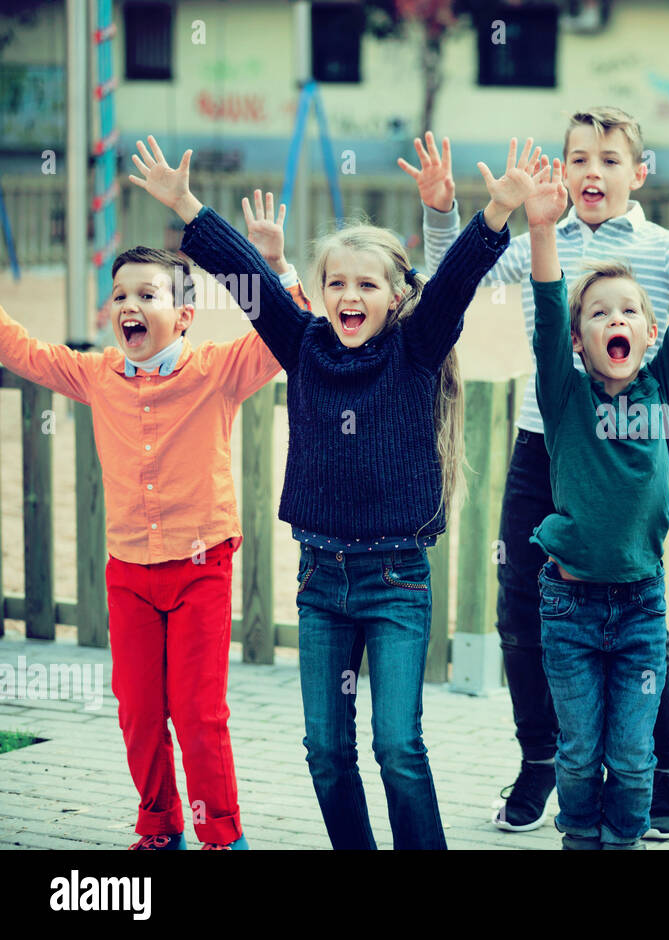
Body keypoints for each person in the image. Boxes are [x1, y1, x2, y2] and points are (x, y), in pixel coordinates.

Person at [410, 108, 669, 837]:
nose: (592, 171)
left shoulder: (664, 250)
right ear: (562, 172)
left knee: (637, 616)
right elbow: (457, 275)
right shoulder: (543, 231)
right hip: (543, 448)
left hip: (626, 458)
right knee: (521, 615)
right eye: (578, 159)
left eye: (609, 159)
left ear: (637, 173)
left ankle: (667, 766)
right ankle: (543, 758)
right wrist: (441, 209)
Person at [129, 134, 533, 847]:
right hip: (321, 580)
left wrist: (497, 209)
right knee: (325, 751)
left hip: (395, 580)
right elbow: (243, 275)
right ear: (320, 293)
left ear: (397, 295)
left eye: (367, 284)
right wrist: (187, 207)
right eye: (337, 283)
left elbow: (459, 279)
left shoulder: (417, 346)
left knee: (397, 747)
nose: (350, 295)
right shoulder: (305, 344)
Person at [0, 246, 283, 850]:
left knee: (199, 714)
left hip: (201, 566)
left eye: (147, 295)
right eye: (120, 295)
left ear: (183, 315)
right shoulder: (97, 373)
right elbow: (23, 350)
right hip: (128, 569)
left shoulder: (217, 370)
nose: (129, 305)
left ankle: (221, 836)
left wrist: (276, 272)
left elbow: (282, 338)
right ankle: (160, 826)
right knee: (138, 712)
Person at [522, 154, 669, 848]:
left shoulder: (659, 392)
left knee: (633, 759)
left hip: (640, 607)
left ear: (648, 334)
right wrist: (542, 230)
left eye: (630, 311)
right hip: (570, 609)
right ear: (581, 341)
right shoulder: (564, 396)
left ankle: (626, 840)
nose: (617, 319)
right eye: (600, 314)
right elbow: (548, 311)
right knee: (580, 755)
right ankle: (579, 838)